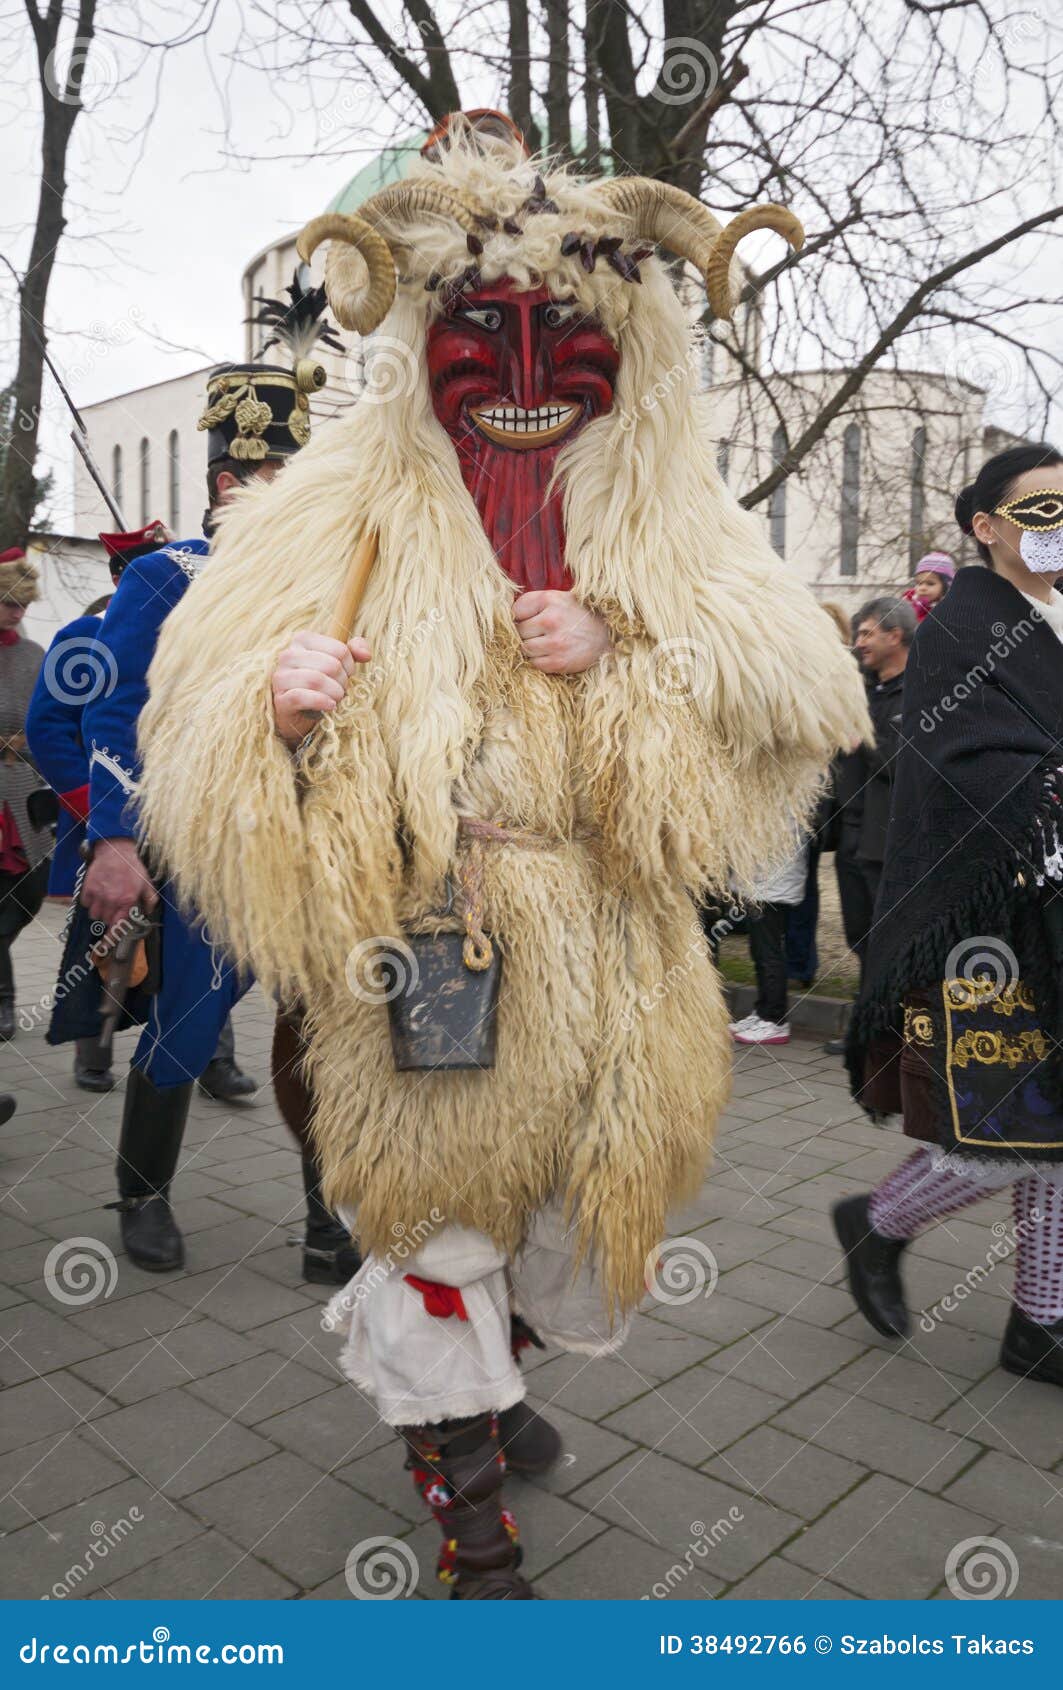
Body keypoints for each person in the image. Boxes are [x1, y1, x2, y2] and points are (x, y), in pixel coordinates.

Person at [137, 111, 870, 1597]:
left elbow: (802, 700)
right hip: (430, 939)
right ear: (426, 340)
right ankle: (466, 1503)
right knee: (439, 1219)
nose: (527, 380)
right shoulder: (327, 516)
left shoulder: (675, 522)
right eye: (485, 334)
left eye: (563, 335)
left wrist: (624, 645)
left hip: (612, 950)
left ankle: (480, 1371)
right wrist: (282, 719)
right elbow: (196, 756)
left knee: (585, 1227)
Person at [49, 281, 356, 1284]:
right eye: (246, 472)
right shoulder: (166, 576)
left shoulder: (338, 585)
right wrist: (118, 838)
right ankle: (143, 1193)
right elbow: (110, 710)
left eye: (282, 473)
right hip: (209, 846)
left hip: (319, 852)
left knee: (328, 1044)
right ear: (222, 479)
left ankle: (325, 1223)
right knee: (184, 1024)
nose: (260, 487)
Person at [836, 443, 1063, 1388]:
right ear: (986, 527)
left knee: (1054, 1134)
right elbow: (960, 769)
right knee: (1005, 1133)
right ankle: (877, 1223)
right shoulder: (960, 628)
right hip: (995, 921)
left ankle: (1040, 1322)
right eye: (1040, 511)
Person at [0, 549, 51, 1042]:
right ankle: (5, 1003)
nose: (18, 613)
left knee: (30, 895)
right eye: (10, 604)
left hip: (22, 792)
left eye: (22, 605)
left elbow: (48, 724)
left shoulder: (35, 656)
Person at [730, 832, 809, 1045]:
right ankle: (763, 1010)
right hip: (760, 877)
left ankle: (775, 1018)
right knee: (760, 949)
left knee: (768, 951)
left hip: (771, 880)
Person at [902, 551, 955, 622]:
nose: (922, 588)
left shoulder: (950, 610)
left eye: (930, 583)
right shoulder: (907, 605)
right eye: (919, 583)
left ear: (946, 586)